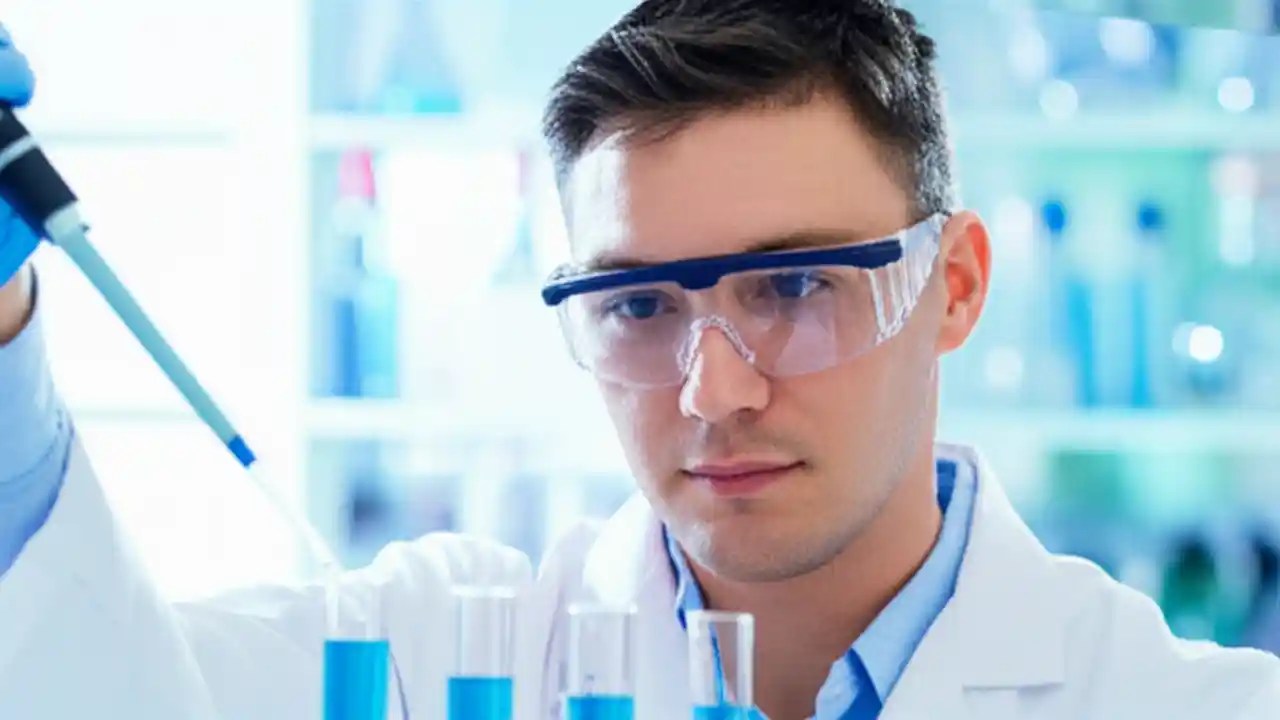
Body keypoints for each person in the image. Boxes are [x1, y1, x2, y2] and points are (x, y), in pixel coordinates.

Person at [1, 3, 1278, 718]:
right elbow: (94, 686)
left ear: (949, 288)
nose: (710, 390)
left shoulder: (1184, 706)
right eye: (634, 306)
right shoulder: (430, 658)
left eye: (792, 286)